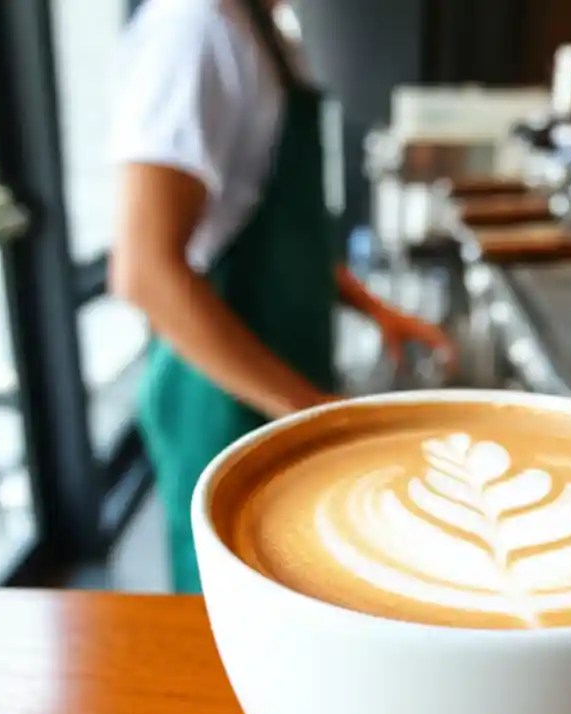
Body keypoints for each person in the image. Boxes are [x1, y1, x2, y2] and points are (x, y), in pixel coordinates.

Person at [110, 0, 451, 592]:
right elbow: (144, 270)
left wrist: (376, 311)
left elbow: (281, 232)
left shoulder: (265, 32)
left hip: (280, 382)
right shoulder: (195, 33)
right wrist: (309, 412)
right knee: (236, 607)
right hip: (220, 400)